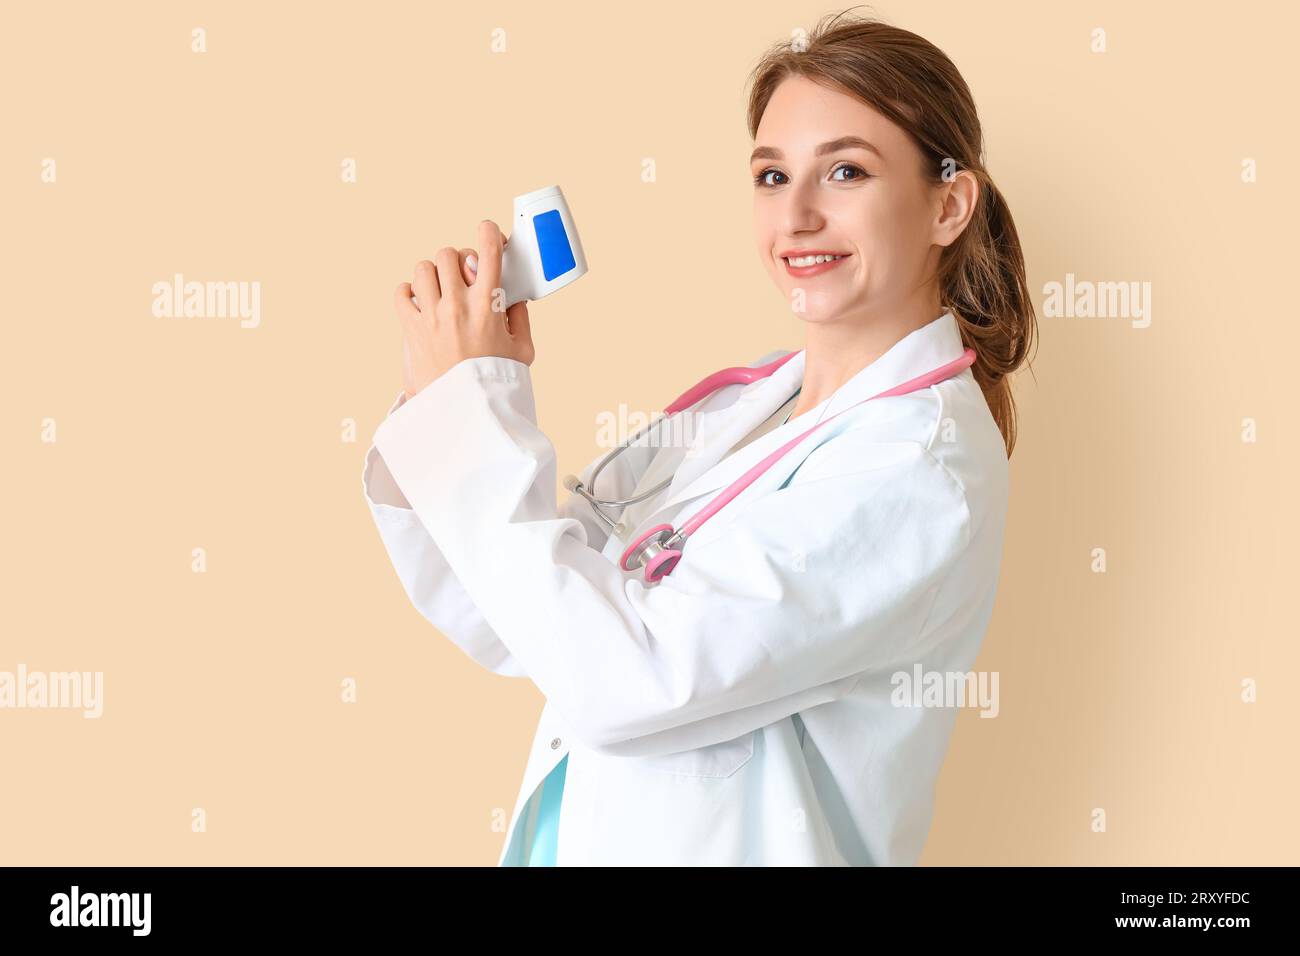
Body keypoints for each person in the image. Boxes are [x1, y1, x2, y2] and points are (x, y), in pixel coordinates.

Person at [362, 9, 1036, 866]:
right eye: (770, 175)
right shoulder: (744, 411)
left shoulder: (918, 467)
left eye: (844, 171)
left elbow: (627, 677)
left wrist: (471, 409)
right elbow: (526, 624)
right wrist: (445, 395)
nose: (795, 215)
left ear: (949, 204)